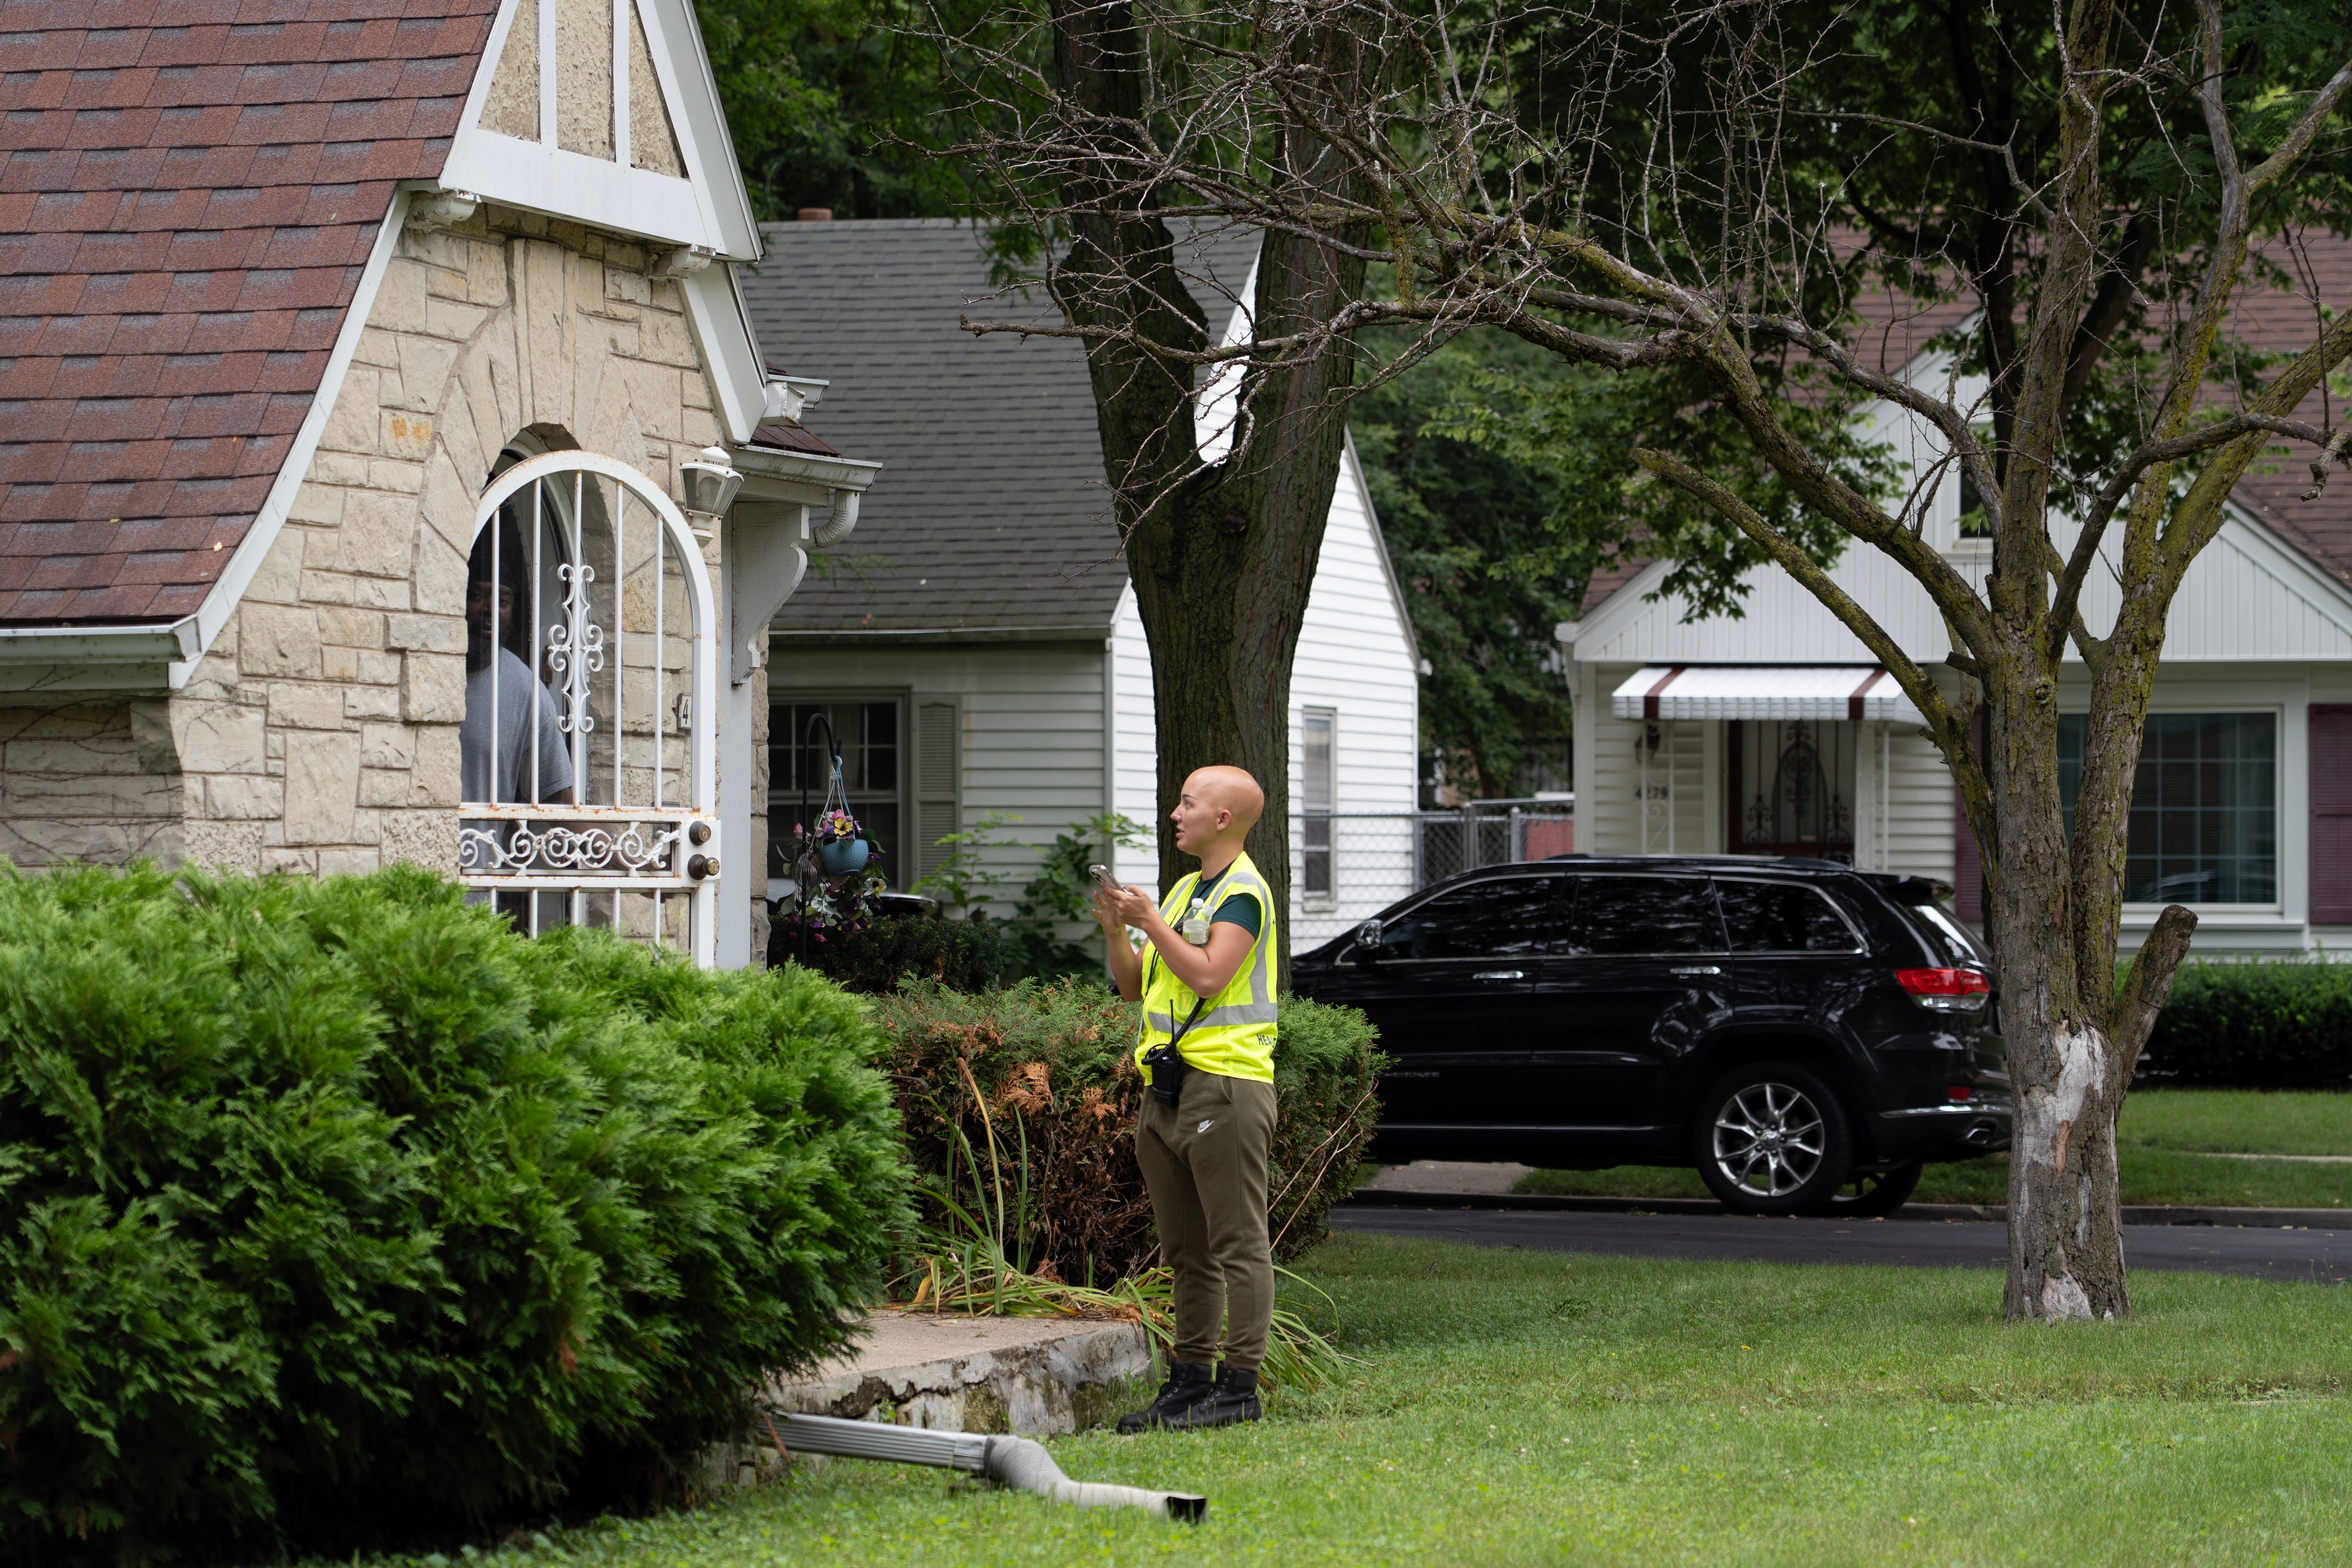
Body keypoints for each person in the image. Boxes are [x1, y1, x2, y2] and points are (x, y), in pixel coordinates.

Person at [1093, 765, 1280, 1433]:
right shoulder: (1182, 893)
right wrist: (1120, 930)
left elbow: (1207, 974)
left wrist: (1148, 918)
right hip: (1166, 1089)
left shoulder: (1243, 895)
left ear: (1222, 818)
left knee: (1237, 1245)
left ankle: (1238, 1391)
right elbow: (1134, 985)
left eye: (1188, 803)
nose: (1175, 813)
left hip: (1225, 1088)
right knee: (1186, 1252)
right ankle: (1188, 1384)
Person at [460, 523, 574, 887]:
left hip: (475, 896)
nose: (490, 611)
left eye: (503, 601)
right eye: (478, 596)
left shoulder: (524, 689)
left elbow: (558, 800)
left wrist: (628, 860)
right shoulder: (421, 668)